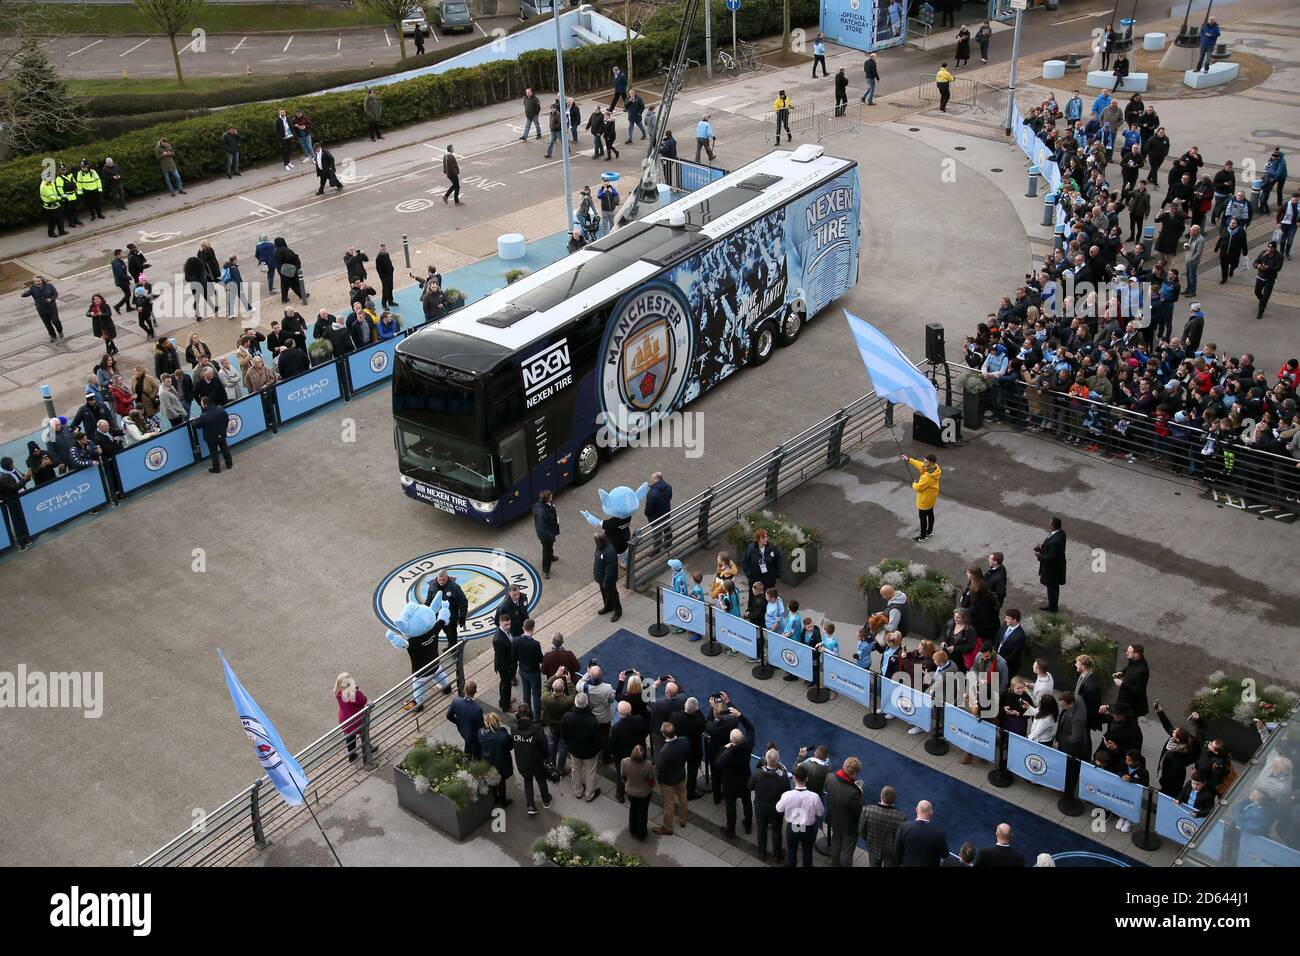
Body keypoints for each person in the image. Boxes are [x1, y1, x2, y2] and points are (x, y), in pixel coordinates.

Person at [714, 708, 756, 839]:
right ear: (742, 738)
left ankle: (730, 830)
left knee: (731, 806)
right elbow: (751, 729)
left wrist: (723, 749)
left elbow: (717, 763)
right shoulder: (748, 746)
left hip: (730, 783)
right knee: (747, 802)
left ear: (731, 741)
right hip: (744, 779)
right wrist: (740, 715)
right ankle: (748, 825)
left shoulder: (727, 754)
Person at [775, 763, 824, 866]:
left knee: (792, 851)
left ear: (793, 779)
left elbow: (778, 809)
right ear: (806, 779)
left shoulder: (787, 795)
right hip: (807, 829)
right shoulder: (814, 797)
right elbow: (820, 813)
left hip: (793, 827)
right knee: (807, 851)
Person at [749, 749, 791, 862]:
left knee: (761, 830)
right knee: (776, 831)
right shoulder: (783, 777)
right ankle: (777, 854)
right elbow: (787, 792)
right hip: (776, 809)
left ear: (766, 760)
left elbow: (749, 786)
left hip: (760, 807)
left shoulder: (758, 773)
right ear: (777, 761)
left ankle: (761, 853)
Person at [562, 692, 603, 802]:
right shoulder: (593, 720)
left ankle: (578, 791)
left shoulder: (567, 717)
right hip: (590, 753)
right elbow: (598, 740)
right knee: (590, 772)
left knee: (575, 770)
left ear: (575, 703)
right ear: (586, 704)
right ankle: (589, 795)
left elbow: (564, 735)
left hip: (574, 750)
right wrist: (598, 749)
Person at [825, 756, 865, 867]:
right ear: (854, 773)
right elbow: (860, 810)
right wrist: (860, 792)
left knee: (835, 843)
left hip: (834, 819)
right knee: (848, 851)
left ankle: (835, 864)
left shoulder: (830, 777)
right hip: (849, 826)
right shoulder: (853, 793)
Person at [653, 721, 690, 834]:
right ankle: (683, 820)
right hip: (681, 775)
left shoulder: (664, 751)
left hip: (668, 782)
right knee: (683, 798)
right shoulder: (684, 740)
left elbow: (661, 769)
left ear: (664, 734)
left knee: (669, 804)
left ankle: (668, 827)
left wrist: (660, 780)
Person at [858, 784, 904, 867]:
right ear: (894, 800)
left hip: (873, 846)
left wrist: (869, 840)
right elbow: (900, 839)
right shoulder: (901, 817)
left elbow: (861, 831)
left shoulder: (867, 810)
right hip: (891, 851)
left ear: (881, 796)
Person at [477, 712, 514, 808]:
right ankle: (503, 801)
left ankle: (495, 797)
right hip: (500, 762)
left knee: (492, 780)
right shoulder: (502, 735)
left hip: (487, 762)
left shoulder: (481, 732)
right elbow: (510, 746)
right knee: (501, 782)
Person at [902, 453, 941, 541]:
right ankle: (929, 531)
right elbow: (920, 464)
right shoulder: (935, 468)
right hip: (931, 497)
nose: (924, 463)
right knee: (930, 514)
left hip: (925, 499)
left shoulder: (927, 477)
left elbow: (919, 487)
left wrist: (914, 484)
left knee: (923, 518)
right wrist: (908, 459)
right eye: (924, 461)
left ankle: (923, 537)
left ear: (931, 463)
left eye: (926, 462)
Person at [621, 745, 655, 839]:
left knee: (633, 809)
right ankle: (641, 833)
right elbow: (651, 781)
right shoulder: (648, 765)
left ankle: (633, 829)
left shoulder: (624, 762)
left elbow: (623, 777)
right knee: (643, 812)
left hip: (630, 791)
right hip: (644, 793)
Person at [1035, 516, 1067, 611]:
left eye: (1050, 523)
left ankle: (1053, 608)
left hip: (1052, 570)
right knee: (1053, 588)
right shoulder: (1061, 533)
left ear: (1052, 526)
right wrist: (1043, 548)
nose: (1049, 524)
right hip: (1056, 567)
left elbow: (1051, 558)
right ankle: (1052, 605)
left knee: (1052, 588)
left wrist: (1039, 555)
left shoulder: (1055, 541)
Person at [197, 397, 232, 474]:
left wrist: (192, 421)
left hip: (211, 438)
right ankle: (229, 464)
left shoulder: (203, 415)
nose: (201, 405)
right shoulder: (220, 409)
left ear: (205, 405)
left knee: (214, 453)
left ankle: (216, 468)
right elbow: (226, 419)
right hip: (221, 434)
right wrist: (223, 429)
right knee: (225, 449)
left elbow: (198, 425)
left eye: (202, 404)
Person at [22, 277, 62, 342]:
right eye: (36, 281)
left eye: (39, 281)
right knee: (47, 324)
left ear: (42, 281)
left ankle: (60, 331)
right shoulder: (33, 288)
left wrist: (51, 299)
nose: (37, 283)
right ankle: (53, 336)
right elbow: (26, 294)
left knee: (55, 321)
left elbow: (55, 294)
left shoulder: (49, 286)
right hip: (41, 309)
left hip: (51, 307)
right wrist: (23, 293)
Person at [593, 529, 621, 622]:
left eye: (596, 540)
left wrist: (606, 581)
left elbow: (611, 569)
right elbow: (597, 559)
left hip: (609, 579)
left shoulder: (609, 552)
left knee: (613, 594)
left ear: (600, 540)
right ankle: (608, 606)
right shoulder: (599, 546)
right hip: (601, 577)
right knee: (604, 593)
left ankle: (617, 611)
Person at [1253, 240, 1285, 319]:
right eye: (1269, 247)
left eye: (1272, 248)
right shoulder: (1263, 253)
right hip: (1260, 276)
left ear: (1275, 248)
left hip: (1270, 278)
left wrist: (1268, 268)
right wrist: (1257, 266)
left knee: (1266, 296)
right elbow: (1255, 262)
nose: (1270, 249)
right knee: (1257, 292)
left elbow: (1278, 268)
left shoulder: (1279, 257)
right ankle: (1262, 301)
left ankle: (1261, 310)